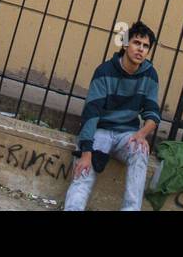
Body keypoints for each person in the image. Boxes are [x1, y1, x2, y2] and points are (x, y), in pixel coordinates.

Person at [63, 21, 162, 211]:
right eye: (136, 43)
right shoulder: (104, 71)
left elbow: (152, 111)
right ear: (126, 44)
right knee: (84, 168)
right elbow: (91, 114)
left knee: (141, 151)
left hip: (128, 134)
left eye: (145, 46)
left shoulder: (150, 74)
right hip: (100, 131)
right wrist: (86, 152)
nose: (140, 49)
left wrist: (142, 134)